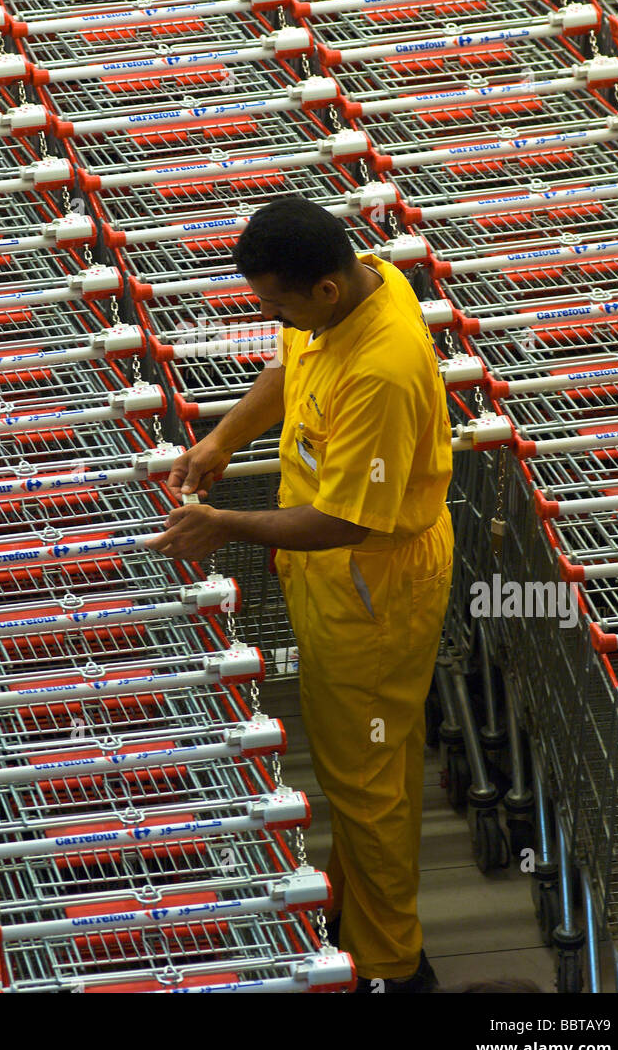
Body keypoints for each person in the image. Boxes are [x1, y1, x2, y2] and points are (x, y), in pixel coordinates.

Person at [148, 195, 454, 993]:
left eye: (275, 302)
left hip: (370, 586)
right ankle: (357, 917)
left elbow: (346, 519)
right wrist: (219, 441)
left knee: (365, 780)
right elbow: (290, 369)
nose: (267, 315)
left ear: (321, 290)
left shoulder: (382, 369)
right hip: (337, 575)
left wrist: (225, 526)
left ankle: (391, 967)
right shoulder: (348, 292)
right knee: (369, 763)